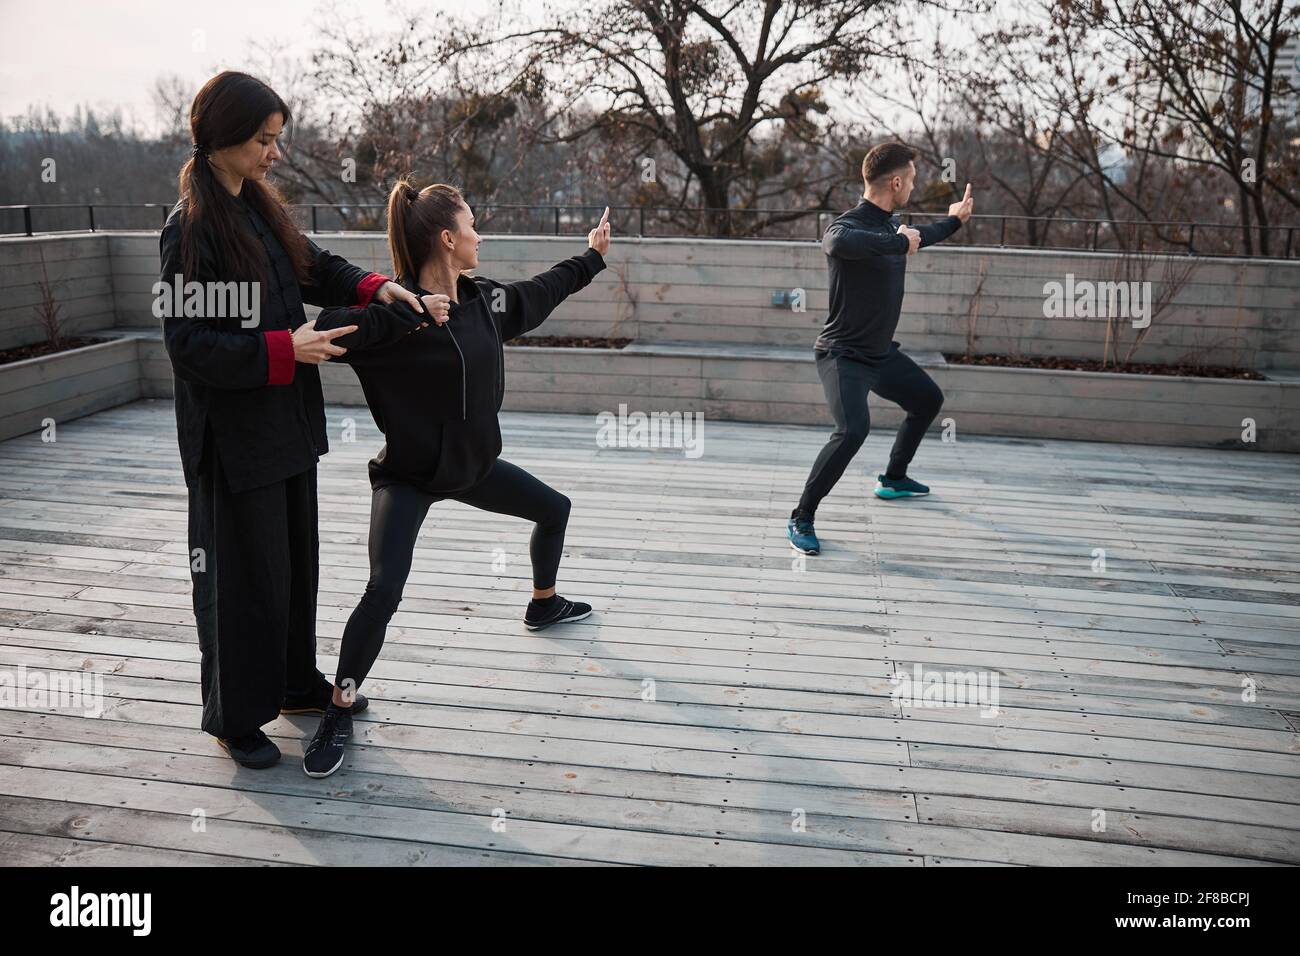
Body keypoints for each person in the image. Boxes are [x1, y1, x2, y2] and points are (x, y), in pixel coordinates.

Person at [299, 181, 611, 777]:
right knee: (384, 588)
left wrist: (592, 256)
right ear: (448, 238)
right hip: (409, 477)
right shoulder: (392, 310)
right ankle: (339, 706)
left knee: (555, 509)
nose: (480, 234)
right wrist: (404, 317)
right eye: (473, 224)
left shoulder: (485, 302)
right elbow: (333, 322)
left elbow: (539, 293)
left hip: (473, 467)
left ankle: (542, 605)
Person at [160, 71, 425, 769]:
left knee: (291, 568)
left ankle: (292, 684)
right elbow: (188, 347)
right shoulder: (190, 228)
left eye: (277, 140)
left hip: (285, 425)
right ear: (220, 141)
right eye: (263, 142)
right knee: (241, 581)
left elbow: (313, 265)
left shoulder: (256, 207)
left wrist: (378, 285)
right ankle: (234, 715)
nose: (274, 154)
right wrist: (287, 347)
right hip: (234, 439)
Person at [787, 143, 973, 555]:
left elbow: (922, 236)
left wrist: (954, 221)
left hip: (880, 354)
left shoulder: (895, 228)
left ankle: (893, 478)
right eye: (912, 179)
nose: (914, 185)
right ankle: (802, 515)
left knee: (927, 399)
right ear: (896, 182)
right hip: (842, 355)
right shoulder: (848, 225)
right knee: (853, 430)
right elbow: (837, 243)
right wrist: (898, 243)